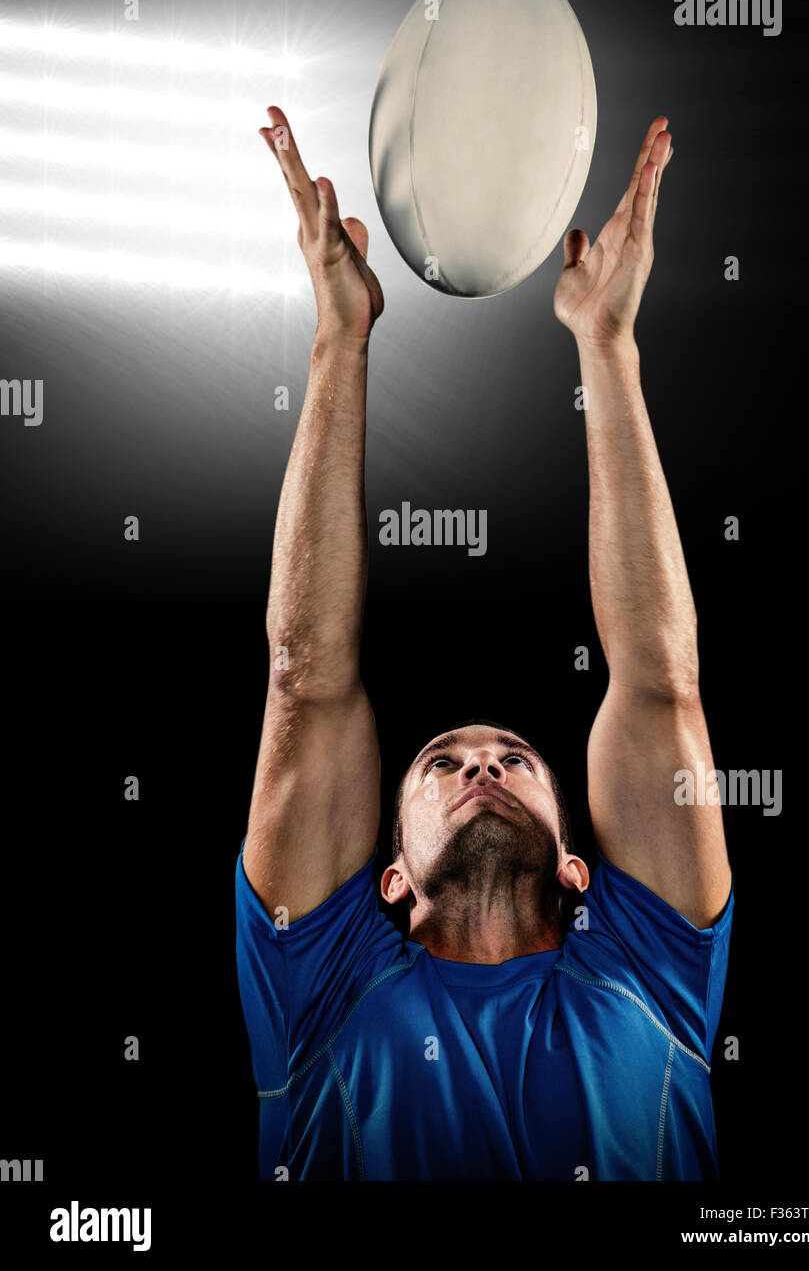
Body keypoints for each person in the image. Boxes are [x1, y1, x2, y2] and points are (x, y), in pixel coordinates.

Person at [235, 106, 733, 1181]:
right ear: (389, 880)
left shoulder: (649, 976)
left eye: (509, 757)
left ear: (575, 862)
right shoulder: (320, 989)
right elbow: (303, 684)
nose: (482, 765)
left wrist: (606, 345)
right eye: (446, 763)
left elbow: (659, 688)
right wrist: (339, 340)